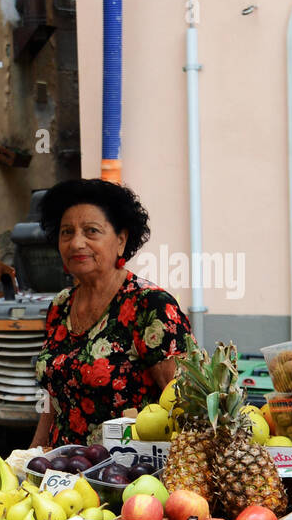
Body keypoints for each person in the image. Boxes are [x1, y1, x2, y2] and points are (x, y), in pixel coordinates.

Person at [31, 179, 192, 448]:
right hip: (62, 471)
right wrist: (33, 454)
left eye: (91, 231)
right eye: (66, 232)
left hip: (131, 470)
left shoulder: (150, 306)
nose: (76, 243)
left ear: (121, 240)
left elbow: (185, 404)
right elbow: (54, 396)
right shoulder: (60, 305)